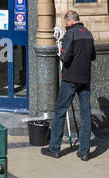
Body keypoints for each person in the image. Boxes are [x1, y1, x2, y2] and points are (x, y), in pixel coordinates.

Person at [41, 10, 97, 160]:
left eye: (66, 23)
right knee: (86, 115)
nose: (66, 26)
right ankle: (84, 152)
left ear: (70, 21)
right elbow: (93, 56)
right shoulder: (89, 34)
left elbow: (65, 57)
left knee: (60, 111)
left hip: (70, 79)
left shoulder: (70, 34)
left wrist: (61, 52)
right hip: (85, 79)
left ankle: (54, 148)